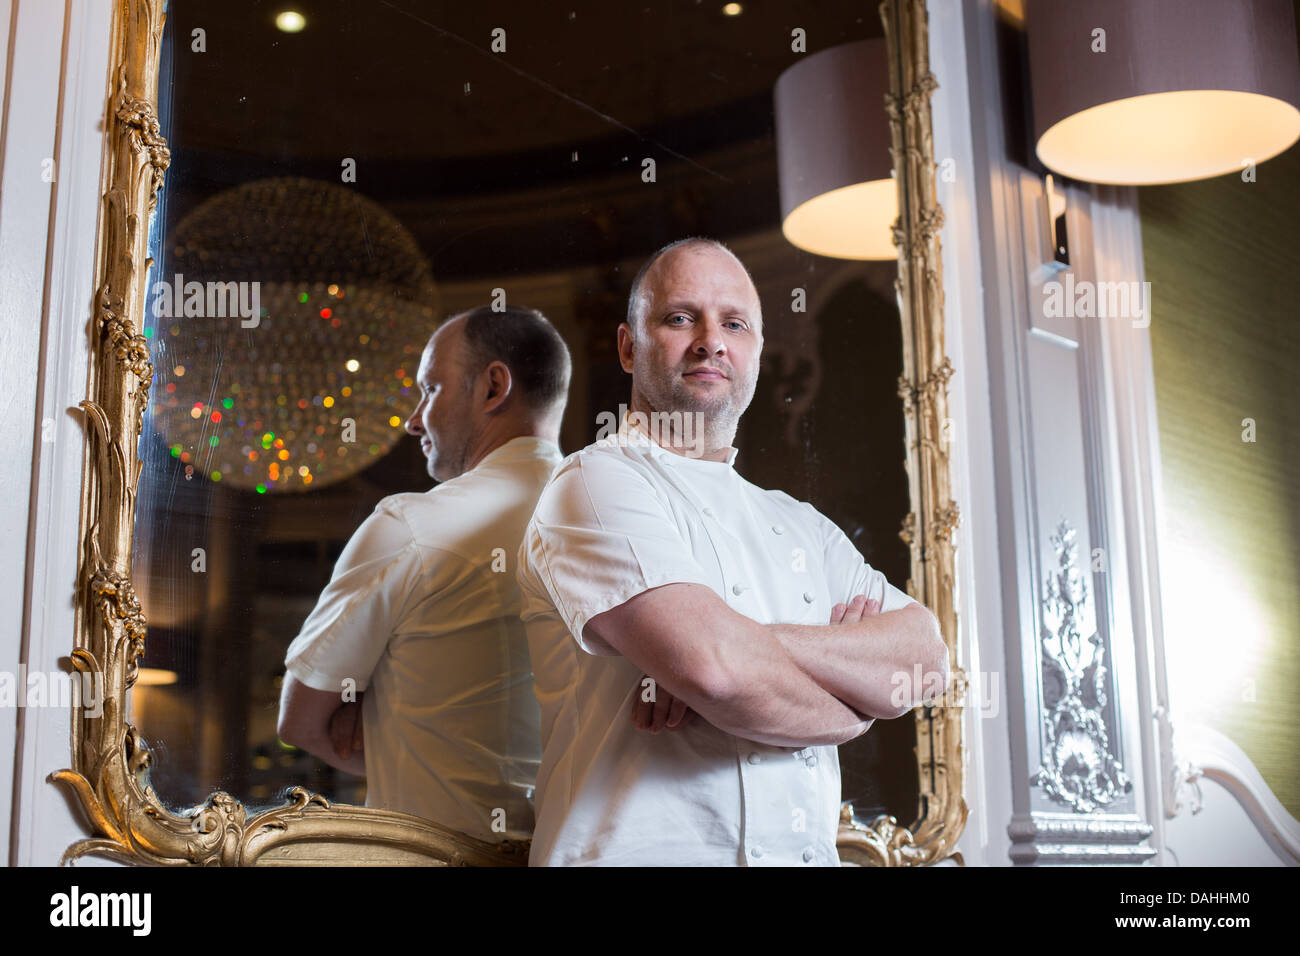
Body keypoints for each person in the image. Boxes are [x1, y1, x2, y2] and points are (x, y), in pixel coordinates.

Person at [516, 238, 948, 866]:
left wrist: (733, 646)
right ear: (628, 346)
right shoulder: (593, 483)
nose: (710, 341)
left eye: (734, 323)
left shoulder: (801, 525)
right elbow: (717, 671)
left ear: (756, 351)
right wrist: (856, 705)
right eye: (681, 317)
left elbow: (924, 659)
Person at [278, 304, 571, 843]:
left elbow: (300, 721)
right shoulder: (609, 526)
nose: (415, 420)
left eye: (430, 390)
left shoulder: (408, 526)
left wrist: (381, 713)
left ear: (492, 387)